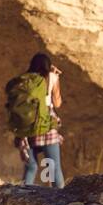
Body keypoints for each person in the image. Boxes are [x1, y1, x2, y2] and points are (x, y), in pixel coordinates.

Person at [15, 52, 66, 189]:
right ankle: (58, 198)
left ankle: (22, 196)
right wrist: (56, 78)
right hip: (46, 124)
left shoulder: (25, 79)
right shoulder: (51, 77)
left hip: (28, 126)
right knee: (52, 165)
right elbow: (57, 103)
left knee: (31, 166)